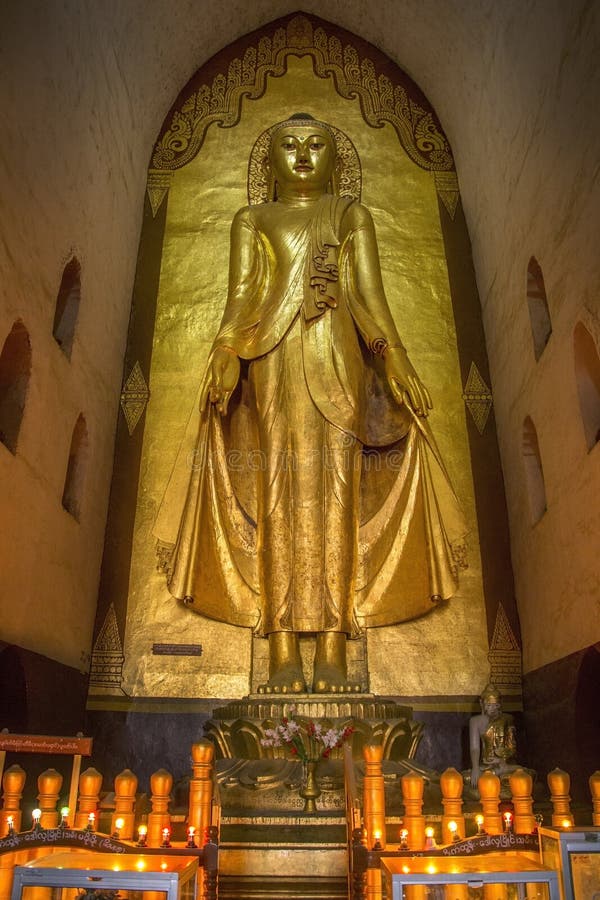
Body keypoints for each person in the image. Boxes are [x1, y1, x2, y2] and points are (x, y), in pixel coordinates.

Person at [156, 113, 465, 693]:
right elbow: (241, 295)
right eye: (289, 146)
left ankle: (331, 649)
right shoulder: (252, 218)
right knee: (276, 490)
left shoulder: (351, 214)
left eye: (316, 145)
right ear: (269, 162)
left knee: (338, 494)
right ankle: (279, 652)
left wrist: (392, 355)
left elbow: (368, 294)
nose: (302, 155)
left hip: (340, 354)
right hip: (271, 355)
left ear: (335, 159)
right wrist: (225, 350)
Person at [469, 683, 518, 789]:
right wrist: (475, 768)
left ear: (500, 704)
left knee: (524, 775)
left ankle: (495, 781)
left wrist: (501, 760)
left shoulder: (507, 719)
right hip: (485, 766)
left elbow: (512, 747)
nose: (493, 709)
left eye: (496, 705)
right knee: (466, 778)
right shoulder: (475, 721)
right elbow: (474, 748)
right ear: (482, 704)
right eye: (489, 705)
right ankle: (497, 781)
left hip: (504, 766)